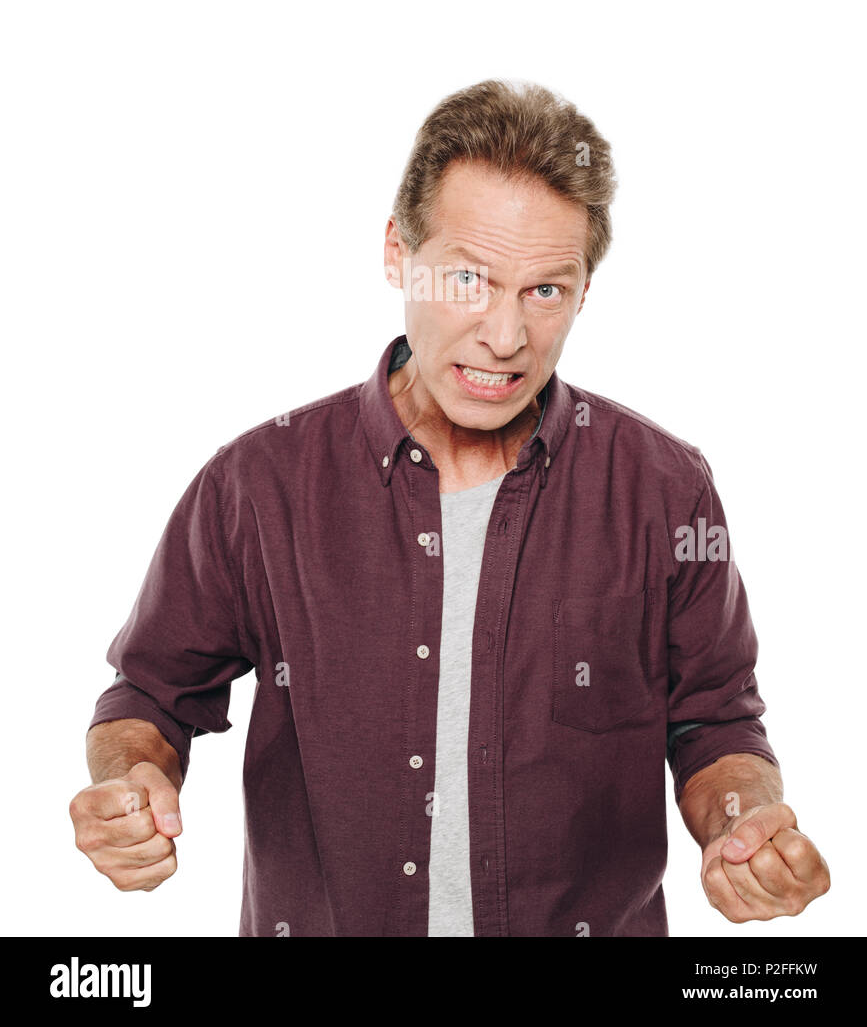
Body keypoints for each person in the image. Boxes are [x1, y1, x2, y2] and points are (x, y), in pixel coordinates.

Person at [70, 78, 830, 936]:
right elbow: (151, 693)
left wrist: (741, 824)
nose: (504, 338)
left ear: (586, 289)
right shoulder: (258, 484)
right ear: (397, 251)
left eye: (545, 290)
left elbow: (713, 719)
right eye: (469, 278)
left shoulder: (663, 488)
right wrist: (129, 786)